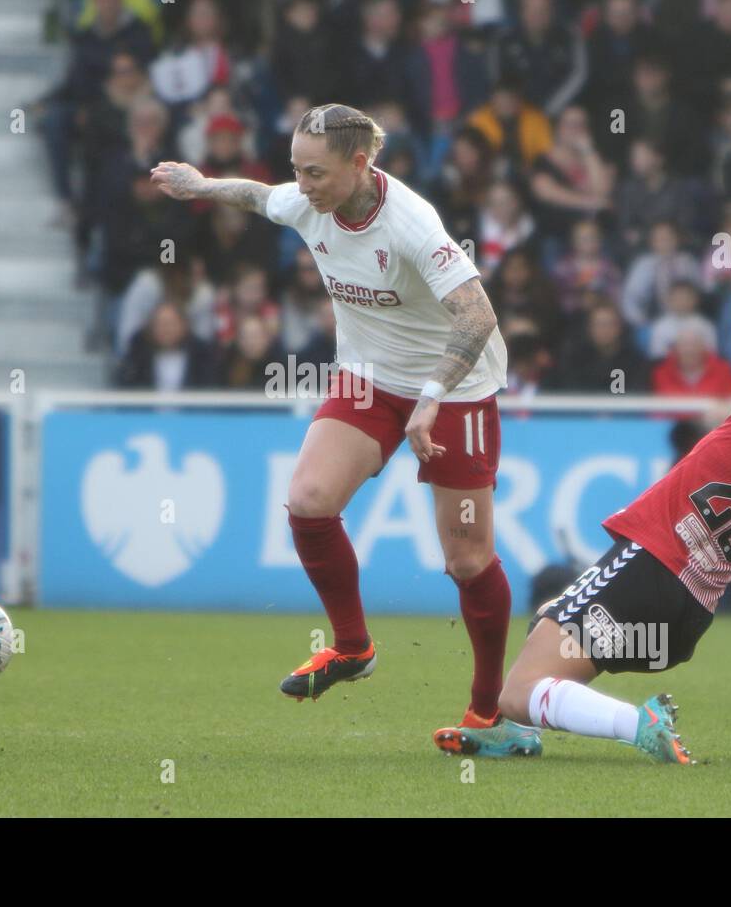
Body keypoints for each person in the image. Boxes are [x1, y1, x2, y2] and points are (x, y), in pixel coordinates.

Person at [151, 103, 533, 754]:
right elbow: (255, 194)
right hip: (367, 379)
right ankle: (353, 648)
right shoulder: (307, 202)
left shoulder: (411, 223)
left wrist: (432, 396)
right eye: (298, 170)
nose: (304, 185)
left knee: (466, 558)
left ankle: (487, 712)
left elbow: (478, 316)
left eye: (316, 173)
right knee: (308, 501)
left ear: (362, 162)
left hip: (456, 389)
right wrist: (202, 184)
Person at [437, 204, 731, 761]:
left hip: (652, 567)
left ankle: (638, 722)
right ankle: (520, 731)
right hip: (689, 620)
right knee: (551, 620)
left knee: (520, 690)